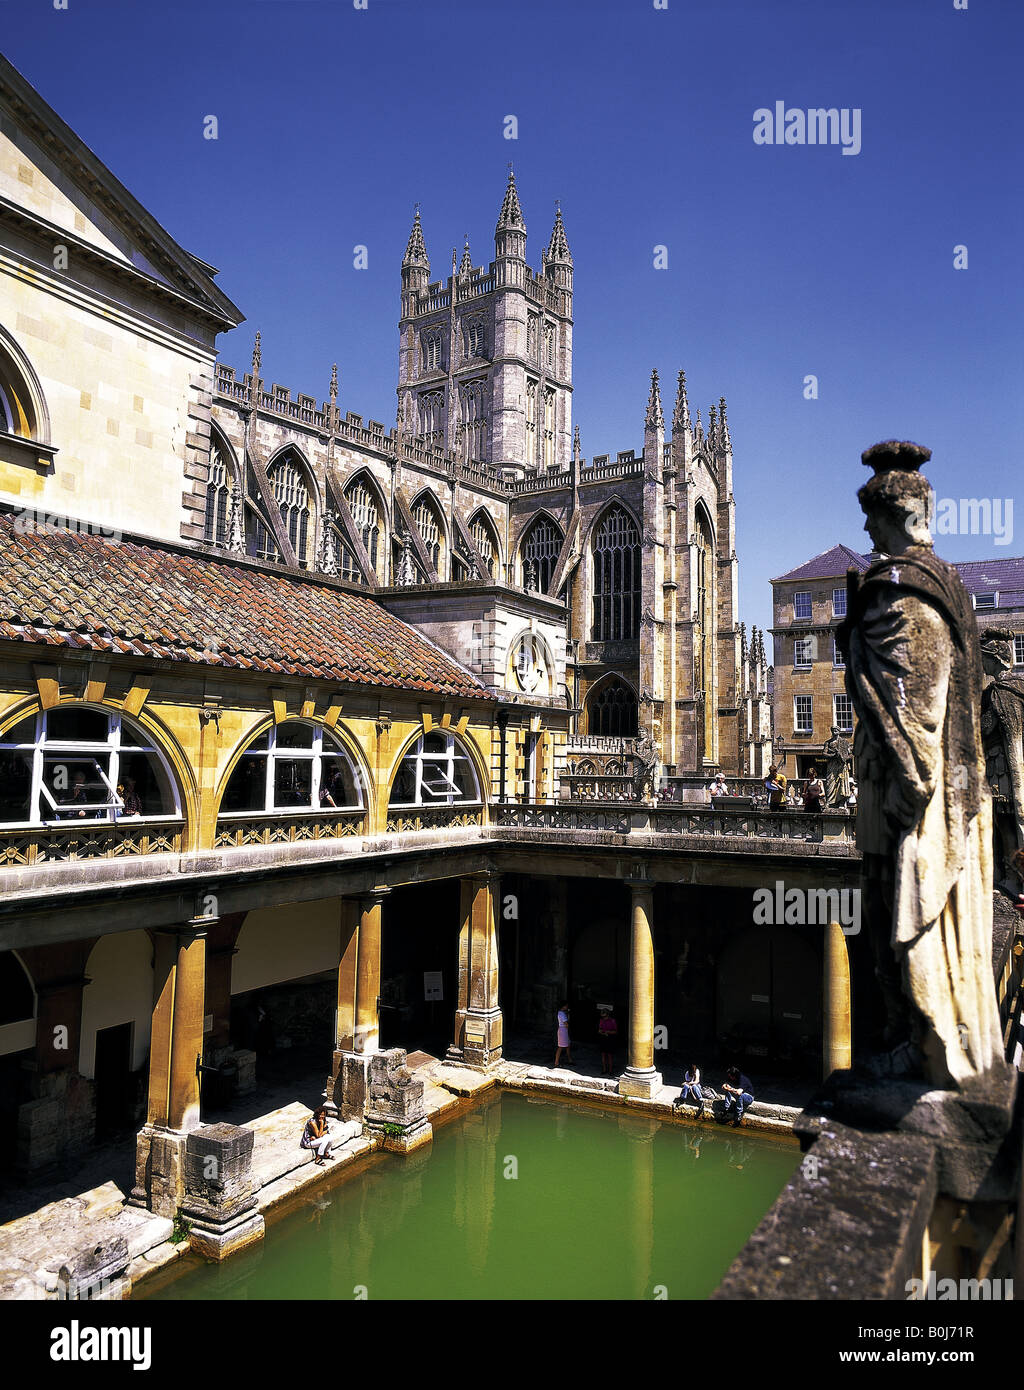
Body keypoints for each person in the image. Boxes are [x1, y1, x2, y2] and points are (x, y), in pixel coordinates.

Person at [597, 1006, 618, 1075]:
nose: (604, 1018)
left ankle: (610, 1070)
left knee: (609, 1055)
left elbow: (615, 1031)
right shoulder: (601, 1020)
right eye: (603, 1016)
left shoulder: (612, 1021)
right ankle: (604, 1069)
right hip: (603, 1038)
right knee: (603, 1055)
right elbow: (599, 1030)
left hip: (610, 1039)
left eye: (605, 1016)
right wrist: (602, 1032)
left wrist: (608, 1032)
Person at [554, 1002, 572, 1068]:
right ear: (563, 1006)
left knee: (568, 1045)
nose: (567, 1007)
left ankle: (570, 1060)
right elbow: (566, 1024)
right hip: (563, 1030)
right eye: (566, 1006)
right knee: (560, 1047)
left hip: (563, 1030)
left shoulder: (561, 1013)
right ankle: (556, 1062)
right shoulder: (562, 1014)